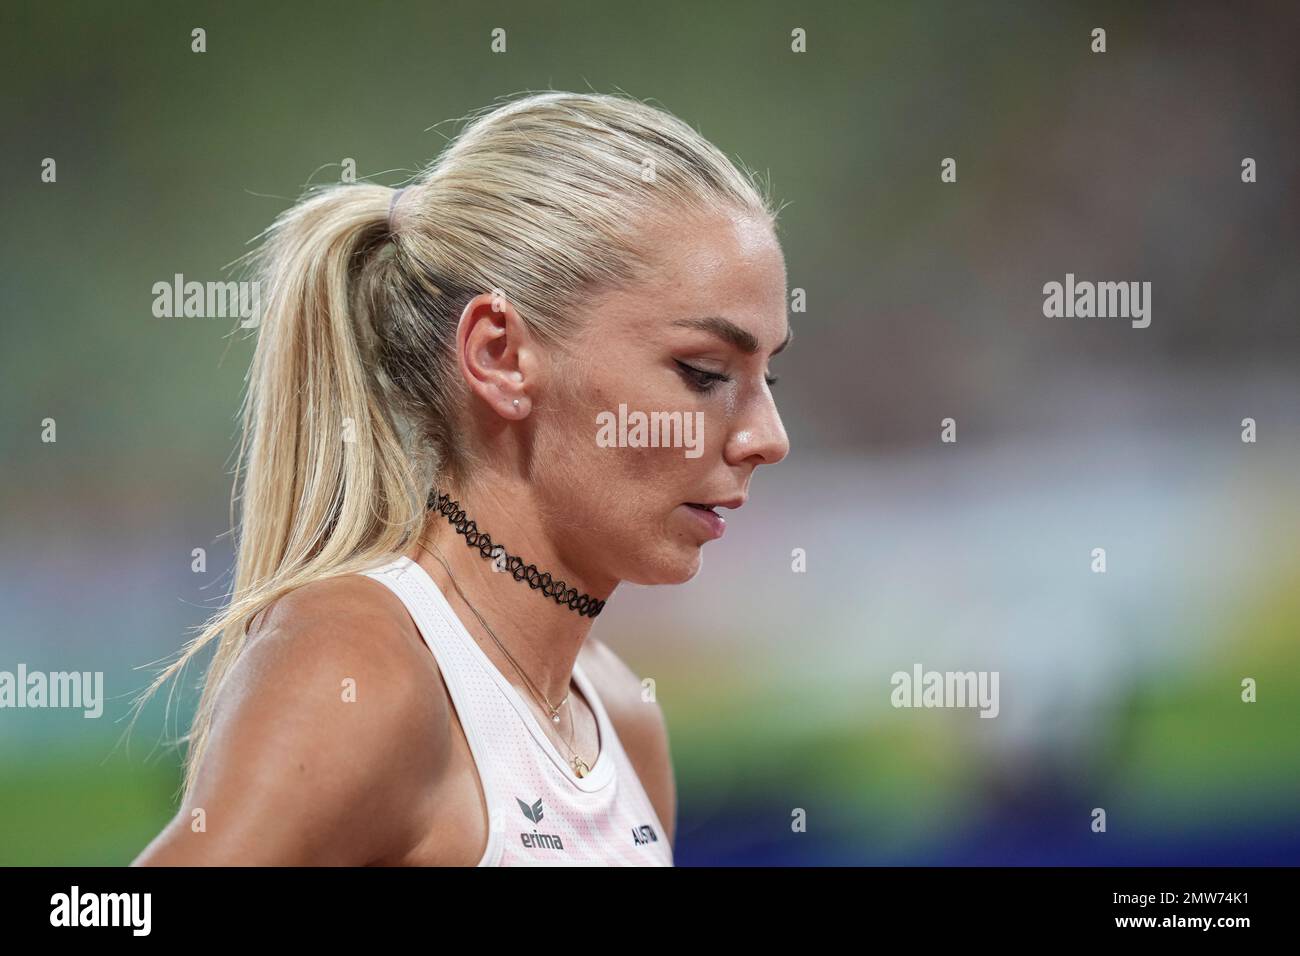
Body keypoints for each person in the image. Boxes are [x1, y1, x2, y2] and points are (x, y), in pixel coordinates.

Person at [132, 91, 791, 866]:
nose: (767, 438)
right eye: (704, 371)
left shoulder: (621, 720)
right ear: (501, 356)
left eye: (769, 375)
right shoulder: (364, 669)